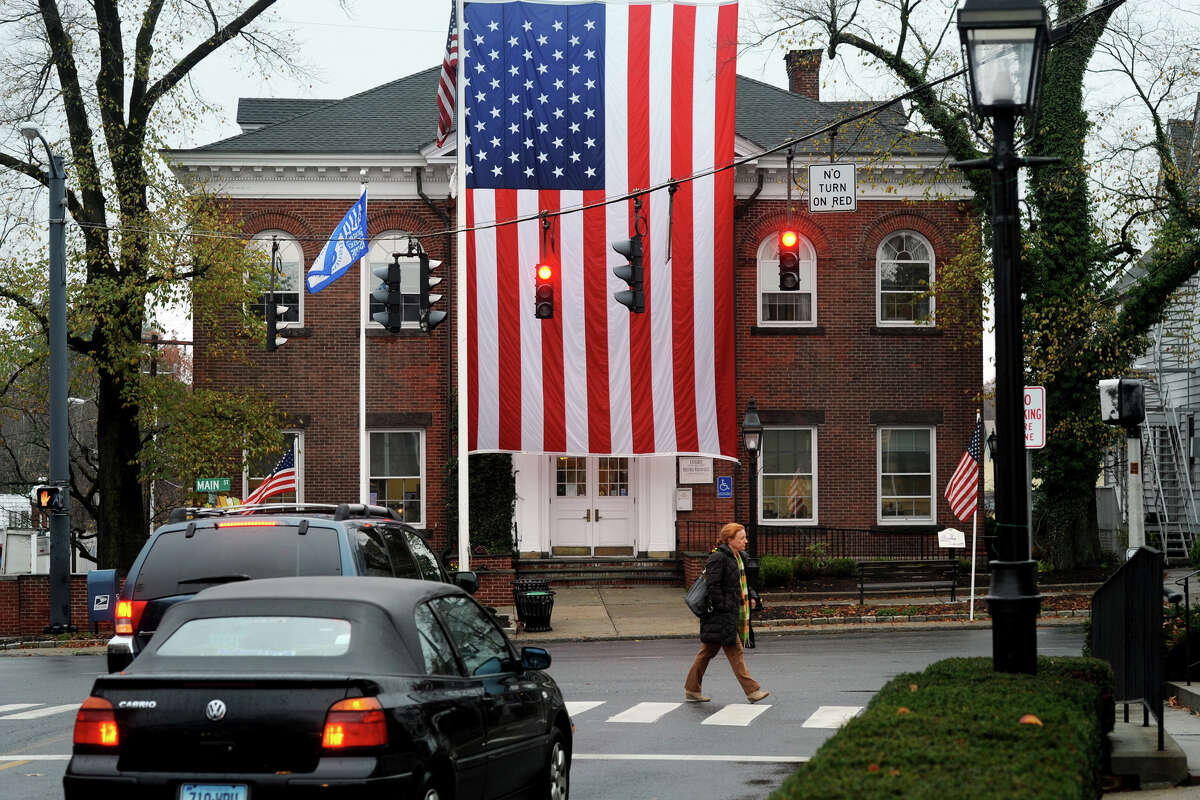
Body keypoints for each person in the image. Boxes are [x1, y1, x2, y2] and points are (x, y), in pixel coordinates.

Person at [683, 522, 770, 704]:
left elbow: (744, 583)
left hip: (731, 613)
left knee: (707, 652)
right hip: (720, 615)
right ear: (729, 539)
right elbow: (713, 586)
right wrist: (723, 606)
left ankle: (691, 690)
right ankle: (752, 691)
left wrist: (751, 596)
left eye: (745, 537)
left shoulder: (739, 557)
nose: (746, 541)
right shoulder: (718, 558)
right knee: (735, 650)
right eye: (742, 538)